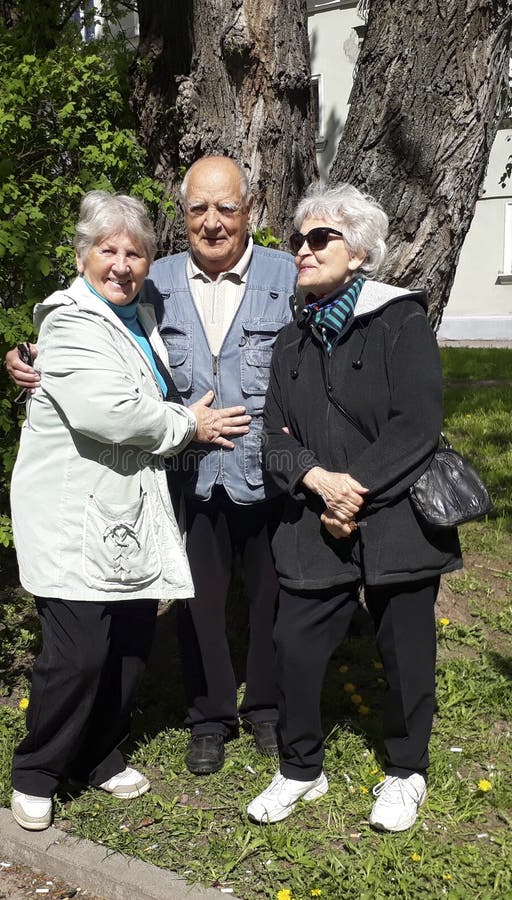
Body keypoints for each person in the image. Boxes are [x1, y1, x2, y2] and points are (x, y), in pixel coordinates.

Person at [7, 157, 298, 776]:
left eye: (226, 209)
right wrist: (31, 356)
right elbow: (88, 331)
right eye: (198, 209)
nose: (212, 223)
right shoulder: (153, 279)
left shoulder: (285, 273)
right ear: (183, 215)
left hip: (269, 466)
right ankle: (209, 717)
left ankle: (268, 710)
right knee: (195, 602)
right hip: (184, 471)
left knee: (273, 597)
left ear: (251, 213)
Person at [246, 183, 462, 832]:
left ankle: (406, 771)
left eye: (320, 238)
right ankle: (301, 769)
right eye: (298, 240)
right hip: (314, 518)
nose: (303, 251)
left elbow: (416, 426)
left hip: (396, 515)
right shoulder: (290, 340)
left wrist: (353, 490)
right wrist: (317, 480)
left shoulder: (402, 322)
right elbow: (271, 436)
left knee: (406, 653)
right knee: (295, 646)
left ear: (360, 252)